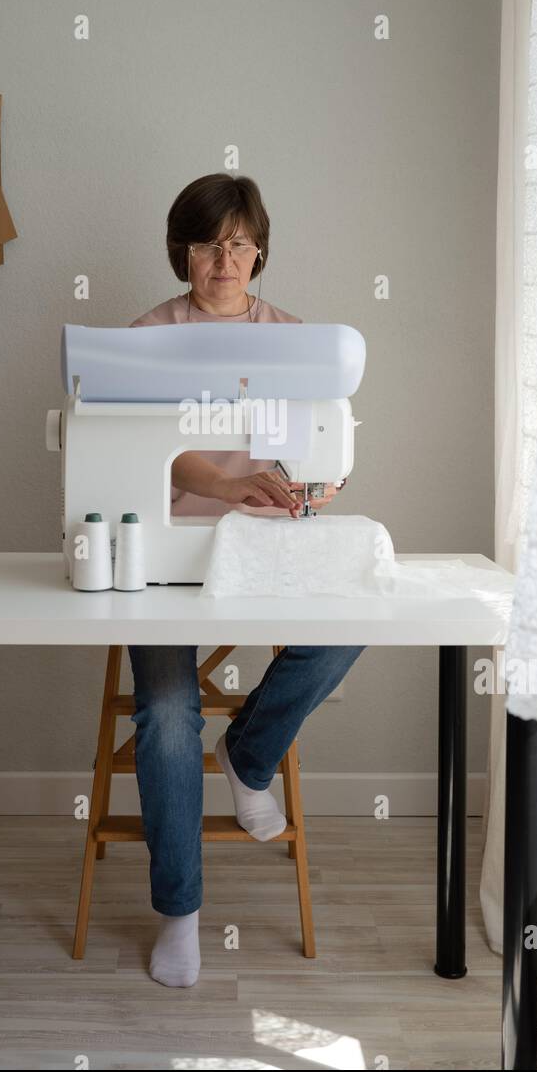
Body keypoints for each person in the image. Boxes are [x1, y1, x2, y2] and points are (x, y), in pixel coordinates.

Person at [126, 172, 364, 987]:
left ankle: (248, 755)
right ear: (181, 252)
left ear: (259, 251)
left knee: (350, 624)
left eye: (238, 244)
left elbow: (320, 441)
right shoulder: (148, 336)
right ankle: (180, 914)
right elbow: (150, 447)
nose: (223, 261)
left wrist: (317, 485)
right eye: (206, 245)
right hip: (166, 556)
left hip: (266, 549)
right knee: (166, 716)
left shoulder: (295, 339)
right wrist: (227, 483)